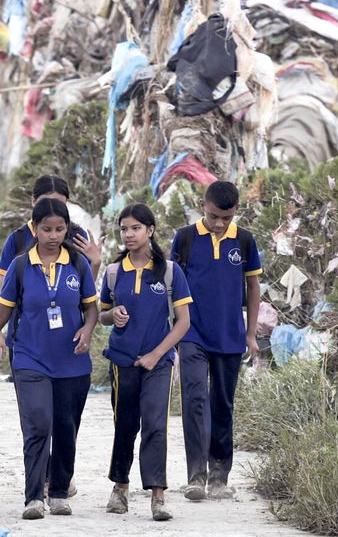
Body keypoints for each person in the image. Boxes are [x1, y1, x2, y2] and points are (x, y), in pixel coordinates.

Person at [0, 198, 99, 520]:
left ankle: (58, 492)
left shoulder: (78, 265)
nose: (53, 235)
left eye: (60, 229)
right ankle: (33, 497)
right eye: (46, 229)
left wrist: (88, 329)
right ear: (35, 228)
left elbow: (91, 306)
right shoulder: (21, 266)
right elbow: (2, 312)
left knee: (66, 428)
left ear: (66, 229)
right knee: (39, 422)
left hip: (72, 360)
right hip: (30, 357)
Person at [99, 204, 192, 522]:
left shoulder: (169, 272)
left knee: (155, 425)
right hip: (122, 361)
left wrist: (157, 354)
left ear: (150, 230)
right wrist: (114, 316)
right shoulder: (114, 272)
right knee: (125, 425)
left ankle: (158, 496)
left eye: (135, 228)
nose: (128, 234)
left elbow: (183, 322)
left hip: (159, 362)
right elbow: (101, 315)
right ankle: (120, 489)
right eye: (124, 228)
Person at [171, 180, 261, 501]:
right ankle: (195, 475)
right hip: (192, 333)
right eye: (213, 217)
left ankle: (220, 475)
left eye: (226, 217)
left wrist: (250, 333)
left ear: (236, 210)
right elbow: (173, 285)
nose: (220, 224)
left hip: (230, 334)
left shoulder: (246, 241)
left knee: (222, 403)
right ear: (202, 206)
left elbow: (252, 289)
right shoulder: (184, 238)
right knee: (195, 400)